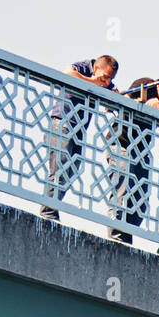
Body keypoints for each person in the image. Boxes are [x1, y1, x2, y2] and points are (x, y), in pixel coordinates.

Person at [41, 54, 119, 222]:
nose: (106, 82)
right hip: (63, 121)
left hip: (79, 129)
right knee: (58, 169)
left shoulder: (105, 82)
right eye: (105, 77)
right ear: (97, 69)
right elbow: (67, 73)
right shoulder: (84, 67)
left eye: (109, 79)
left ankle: (51, 207)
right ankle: (48, 212)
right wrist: (94, 83)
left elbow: (113, 97)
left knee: (72, 171)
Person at [107, 75, 157, 245]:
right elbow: (126, 97)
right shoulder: (146, 84)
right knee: (122, 186)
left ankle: (126, 235)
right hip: (121, 142)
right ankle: (115, 235)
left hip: (141, 150)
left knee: (141, 198)